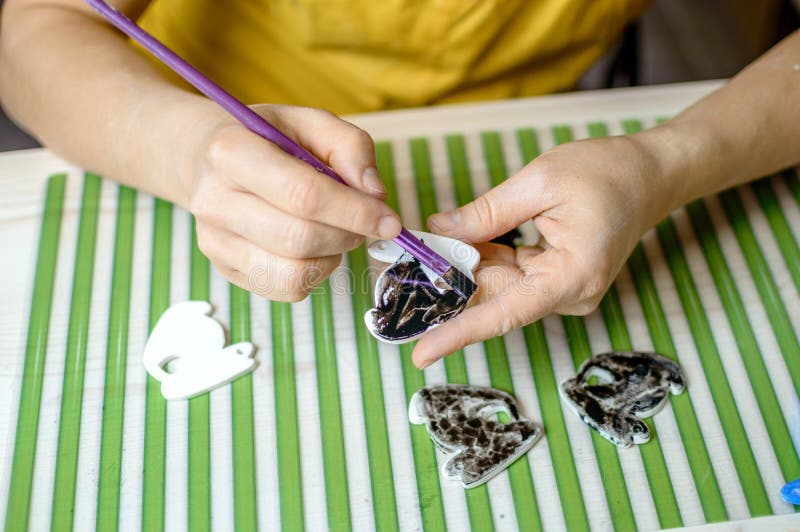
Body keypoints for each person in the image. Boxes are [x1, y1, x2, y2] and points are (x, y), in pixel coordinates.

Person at [1, 0, 799, 370]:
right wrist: (186, 147)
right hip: (234, 108)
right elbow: (31, 33)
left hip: (546, 108)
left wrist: (672, 160)